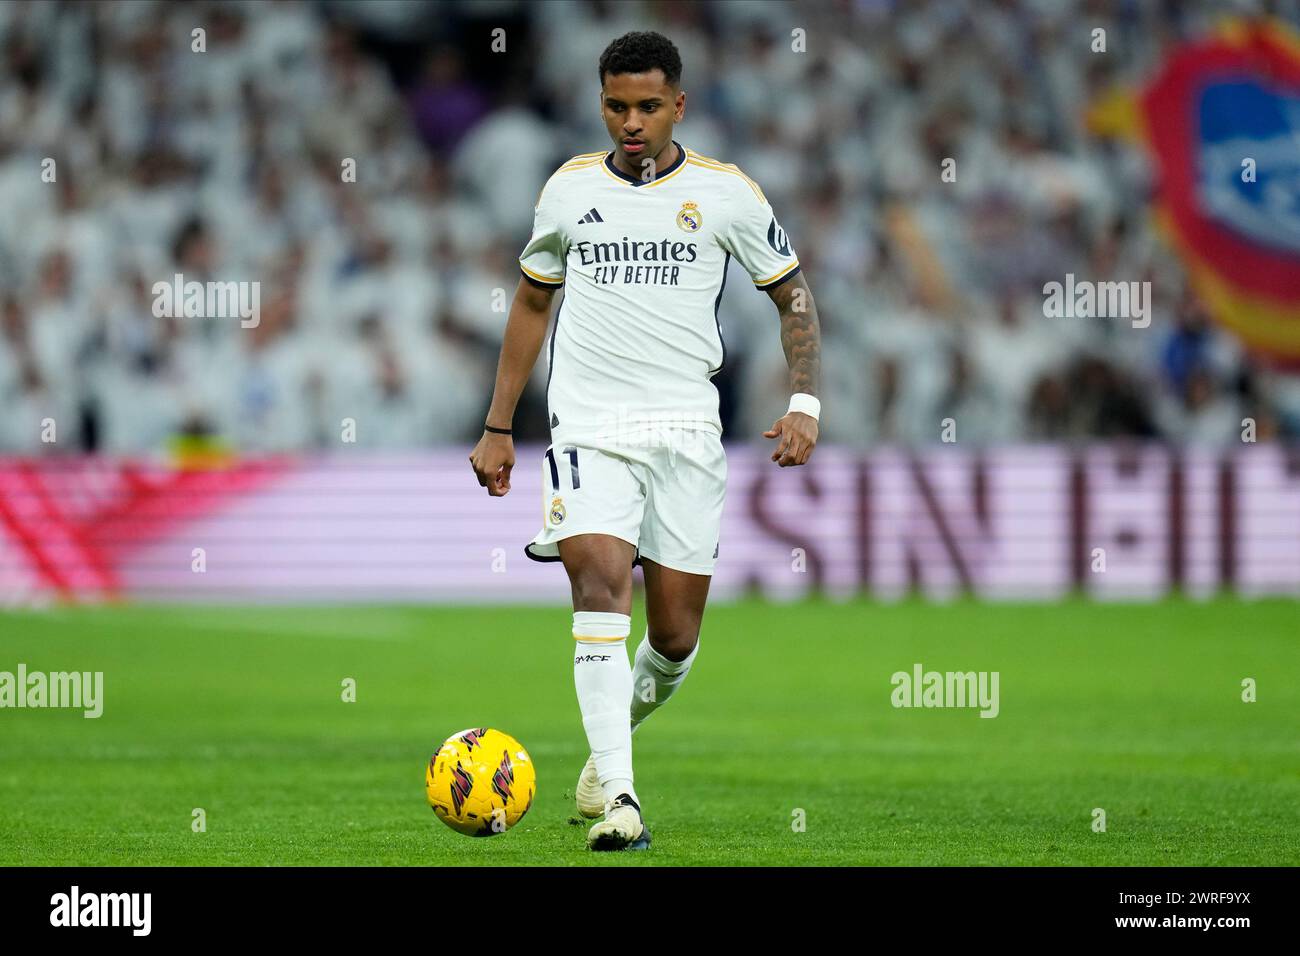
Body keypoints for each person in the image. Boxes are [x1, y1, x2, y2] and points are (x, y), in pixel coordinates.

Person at [468, 30, 821, 850]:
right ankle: (622, 799)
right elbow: (530, 302)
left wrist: (803, 398)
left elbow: (792, 294)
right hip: (589, 425)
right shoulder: (567, 191)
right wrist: (496, 425)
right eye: (618, 106)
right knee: (598, 583)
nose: (632, 121)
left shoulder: (726, 194)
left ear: (678, 106)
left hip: (688, 431)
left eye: (648, 106)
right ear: (602, 105)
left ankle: (610, 744)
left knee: (673, 638)